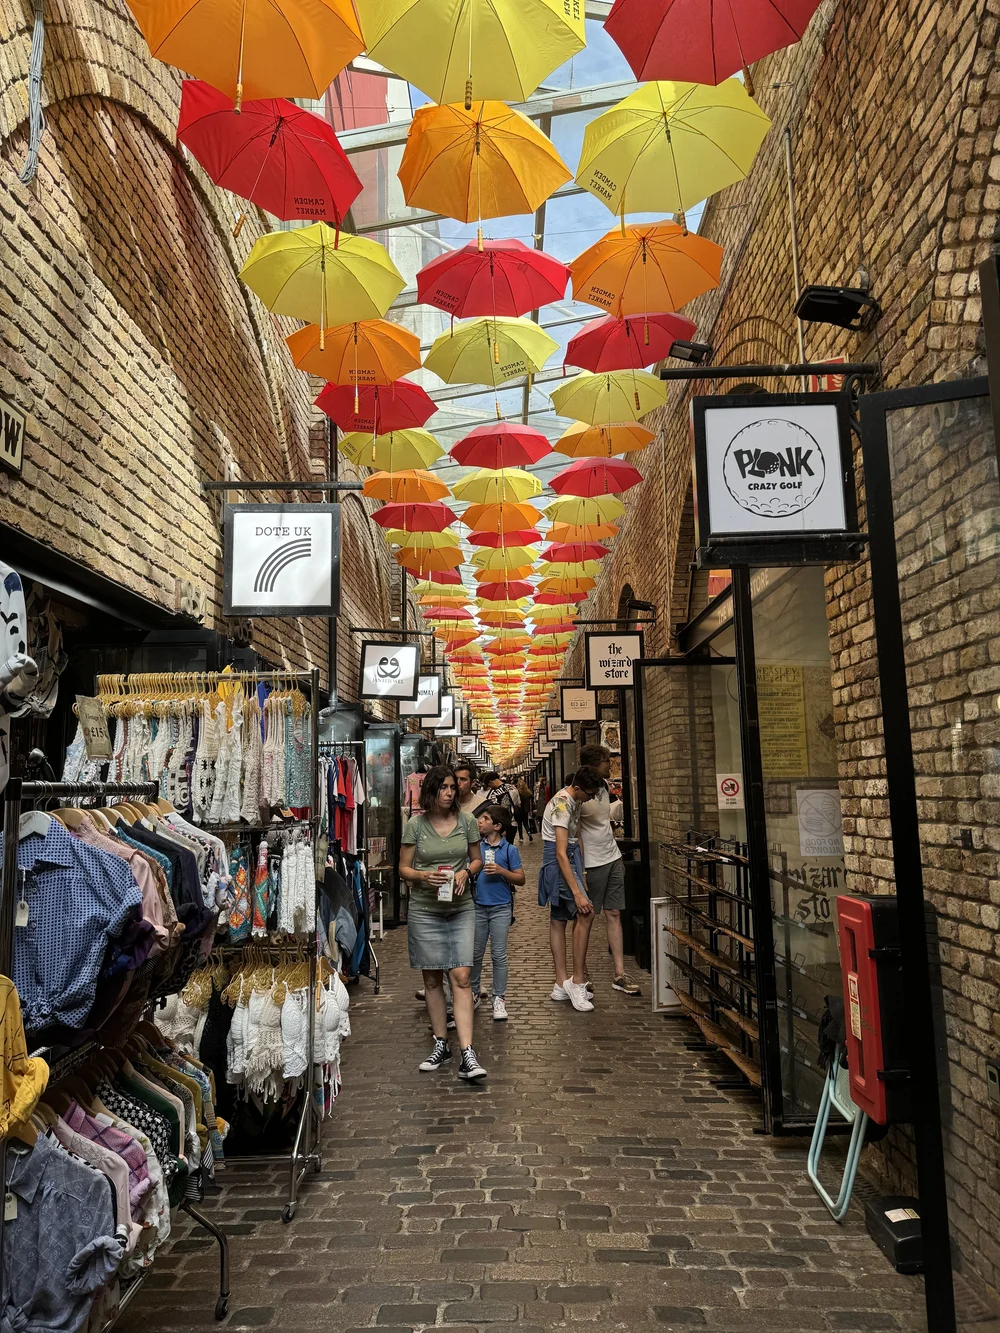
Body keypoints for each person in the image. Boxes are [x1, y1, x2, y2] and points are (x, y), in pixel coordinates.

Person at [399, 765, 486, 1080]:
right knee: (433, 979)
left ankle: (467, 1052)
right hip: (425, 909)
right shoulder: (416, 825)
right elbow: (403, 868)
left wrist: (466, 872)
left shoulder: (467, 822)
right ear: (431, 791)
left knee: (461, 975)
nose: (450, 793)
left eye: (453, 787)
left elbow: (477, 859)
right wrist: (424, 876)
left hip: (461, 907)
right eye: (444, 788)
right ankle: (440, 1043)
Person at [538, 767, 603, 1013]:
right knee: (586, 913)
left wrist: (582, 874)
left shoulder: (573, 801)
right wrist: (576, 891)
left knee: (558, 919)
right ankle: (576, 981)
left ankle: (559, 984)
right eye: (589, 794)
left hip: (570, 859)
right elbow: (560, 852)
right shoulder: (562, 805)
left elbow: (578, 838)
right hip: (560, 861)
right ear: (578, 788)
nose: (591, 798)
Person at [578, 744, 640, 997]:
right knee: (587, 917)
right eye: (607, 761)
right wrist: (579, 870)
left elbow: (605, 819)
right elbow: (574, 834)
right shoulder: (578, 792)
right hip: (591, 863)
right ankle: (581, 973)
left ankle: (619, 974)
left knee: (614, 912)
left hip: (612, 857)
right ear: (594, 764)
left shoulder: (604, 788)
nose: (610, 766)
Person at [470, 805, 525, 1022]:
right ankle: (473, 992)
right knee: (475, 953)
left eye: (484, 819)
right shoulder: (476, 848)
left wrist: (502, 871)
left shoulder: (509, 850)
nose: (480, 822)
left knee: (498, 954)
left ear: (497, 826)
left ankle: (499, 998)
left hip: (501, 907)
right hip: (478, 906)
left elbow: (521, 879)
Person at [515, 776, 534, 843]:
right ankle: (529, 833)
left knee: (519, 824)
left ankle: (521, 838)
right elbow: (531, 801)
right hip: (525, 810)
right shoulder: (528, 793)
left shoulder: (517, 793)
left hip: (518, 810)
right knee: (526, 823)